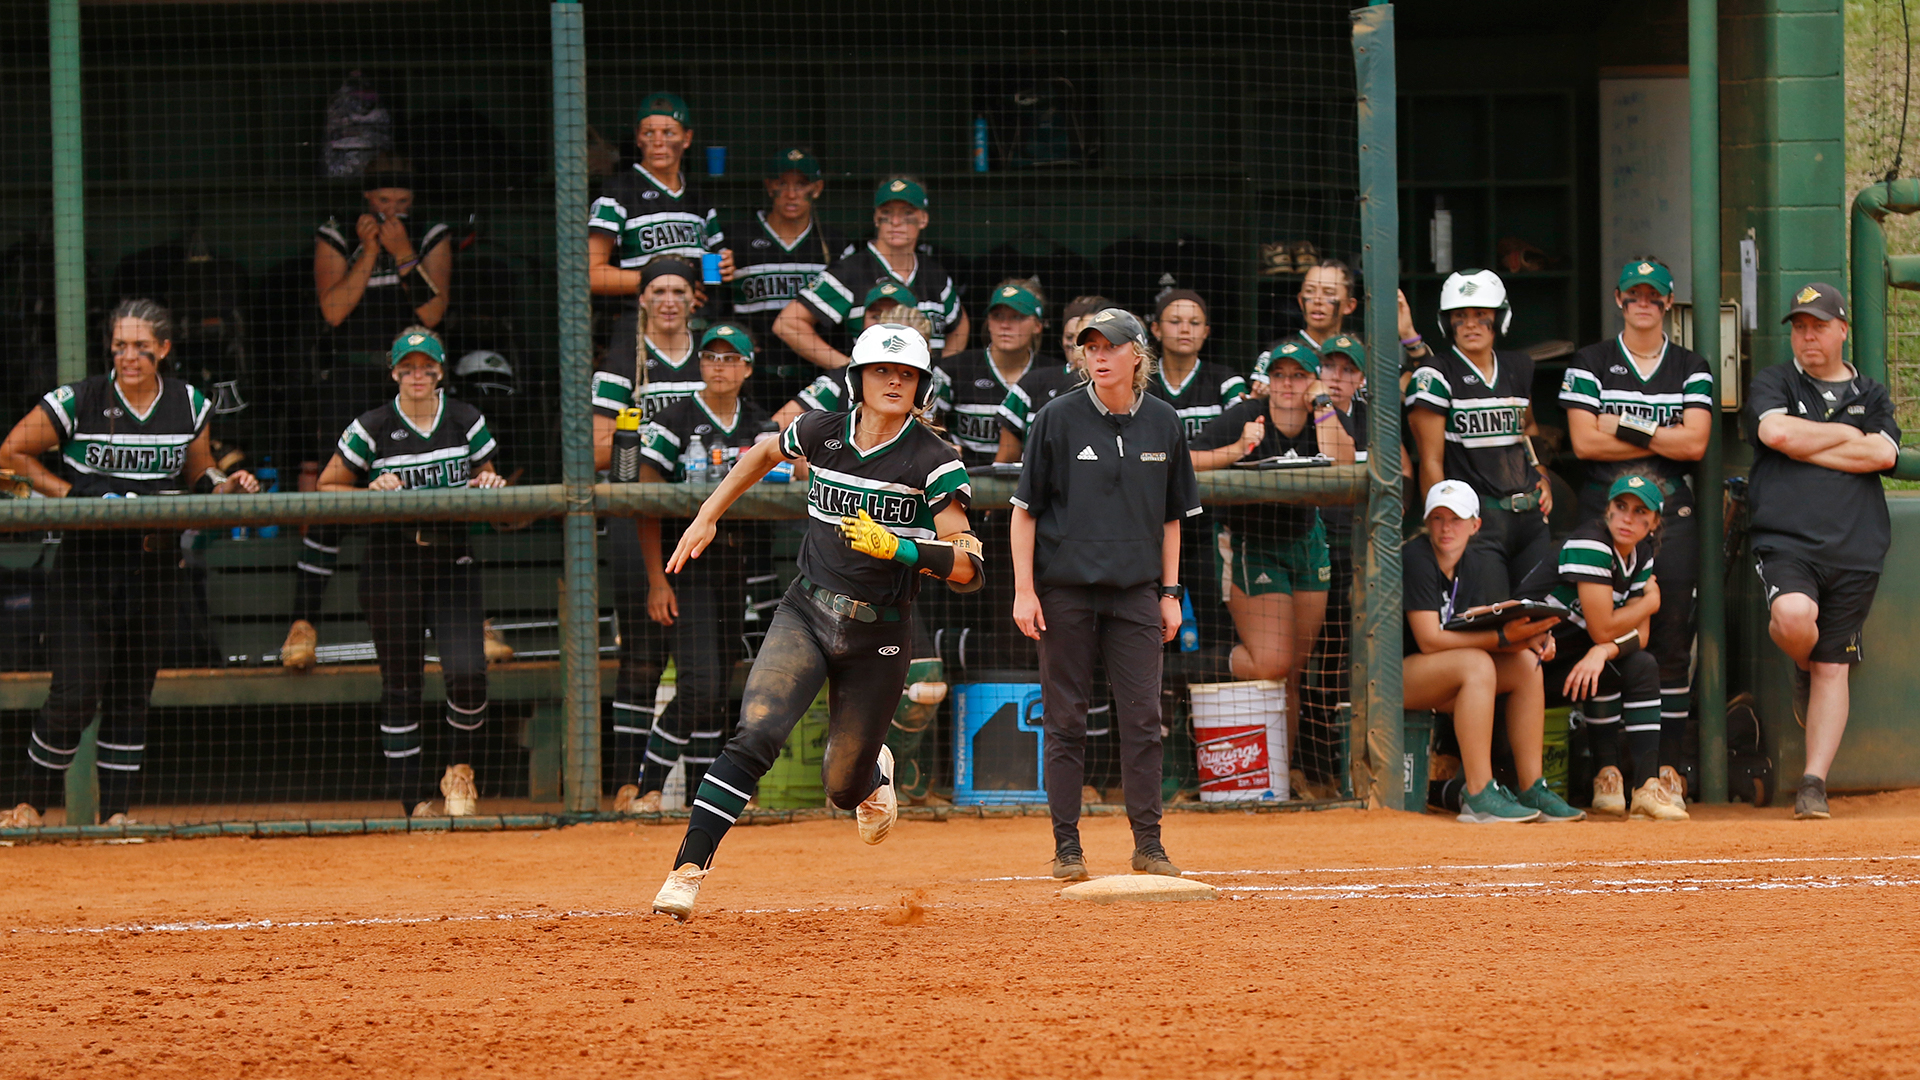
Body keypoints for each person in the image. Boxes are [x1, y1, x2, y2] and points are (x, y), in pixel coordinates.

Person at [649, 323, 981, 921]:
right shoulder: (824, 430)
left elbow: (968, 565)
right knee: (756, 731)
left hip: (879, 632)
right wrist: (708, 514)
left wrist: (900, 549)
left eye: (907, 375)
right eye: (882, 370)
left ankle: (871, 777)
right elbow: (765, 452)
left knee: (840, 786)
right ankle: (686, 871)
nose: (894, 382)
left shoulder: (934, 460)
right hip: (807, 610)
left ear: (922, 388)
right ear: (857, 379)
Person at [0, 300, 260, 829]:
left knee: (130, 691)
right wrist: (72, 495)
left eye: (142, 347)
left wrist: (228, 486)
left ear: (164, 350)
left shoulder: (189, 403)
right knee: (75, 691)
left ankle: (115, 815)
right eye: (120, 346)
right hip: (86, 564)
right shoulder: (79, 399)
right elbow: (10, 455)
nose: (129, 356)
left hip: (155, 564)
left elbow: (200, 473)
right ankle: (28, 806)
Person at [1010, 307, 1200, 882]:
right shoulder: (1055, 418)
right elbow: (1024, 515)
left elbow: (1173, 520)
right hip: (1065, 593)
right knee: (1065, 722)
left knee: (1143, 721)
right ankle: (1067, 849)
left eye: (1110, 346)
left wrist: (1170, 593)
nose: (1098, 354)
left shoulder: (1165, 422)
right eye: (1090, 346)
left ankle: (1150, 845)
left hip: (1137, 594)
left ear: (1136, 354)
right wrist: (1024, 591)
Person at [319, 327, 506, 818]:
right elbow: (327, 487)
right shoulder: (373, 424)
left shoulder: (466, 418)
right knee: (400, 681)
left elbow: (490, 475)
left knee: (467, 673)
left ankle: (459, 771)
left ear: (440, 371)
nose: (417, 374)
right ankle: (414, 800)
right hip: (391, 562)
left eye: (427, 366)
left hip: (451, 561)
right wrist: (370, 492)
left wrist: (487, 480)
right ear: (394, 371)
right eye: (407, 366)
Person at [286, 163, 454, 671]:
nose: (391, 210)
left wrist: (404, 251)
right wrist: (371, 252)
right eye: (382, 201)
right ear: (366, 198)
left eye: (400, 201)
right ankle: (303, 622)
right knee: (335, 498)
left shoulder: (430, 234)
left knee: (438, 485)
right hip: (351, 380)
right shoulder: (338, 232)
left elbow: (432, 313)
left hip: (415, 374)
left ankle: (469, 619)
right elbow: (334, 310)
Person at [1744, 282, 1900, 820]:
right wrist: (1844, 435)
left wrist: (1815, 440)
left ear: (1842, 331)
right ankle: (1799, 663)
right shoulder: (1776, 380)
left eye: (1817, 326)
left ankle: (1813, 784)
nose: (1807, 336)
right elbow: (1776, 436)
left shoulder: (1873, 393)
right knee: (1793, 617)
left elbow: (1882, 452)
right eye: (1799, 327)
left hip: (1857, 548)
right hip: (1787, 541)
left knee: (1833, 666)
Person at [1560, 259, 1713, 790]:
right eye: (1634, 294)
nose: (1643, 302)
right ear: (1619, 300)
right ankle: (1606, 768)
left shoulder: (1691, 366)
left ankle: (1665, 768)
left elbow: (1694, 444)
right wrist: (1659, 432)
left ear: (1669, 303)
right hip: (1604, 514)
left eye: (1654, 295)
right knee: (1601, 632)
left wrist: (1623, 423)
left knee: (1669, 641)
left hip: (1672, 517)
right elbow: (1584, 443)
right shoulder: (1591, 361)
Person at [612, 323, 772, 814]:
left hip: (736, 566)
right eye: (711, 358)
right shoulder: (674, 419)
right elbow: (645, 502)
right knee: (699, 684)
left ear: (747, 367)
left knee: (719, 682)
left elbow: (792, 474)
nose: (720, 367)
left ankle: (698, 792)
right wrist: (657, 580)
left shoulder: (761, 425)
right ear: (700, 364)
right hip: (685, 566)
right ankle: (648, 786)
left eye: (731, 359)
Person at [1188, 338, 1352, 758]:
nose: (1287, 384)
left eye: (1298, 375)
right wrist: (1237, 449)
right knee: (1273, 664)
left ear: (1313, 380)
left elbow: (1344, 460)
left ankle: (1280, 775)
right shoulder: (1246, 413)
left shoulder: (1324, 416)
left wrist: (1321, 403)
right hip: (1252, 542)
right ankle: (1196, 667)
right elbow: (1181, 458)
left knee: (1292, 674)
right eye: (1279, 375)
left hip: (1306, 542)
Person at [592, 258, 708, 795]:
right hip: (640, 521)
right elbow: (594, 448)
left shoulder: (712, 358)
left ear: (694, 298)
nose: (667, 299)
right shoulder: (623, 360)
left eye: (678, 290)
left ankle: (704, 786)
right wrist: (642, 449)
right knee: (640, 657)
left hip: (706, 521)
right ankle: (626, 785)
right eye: (657, 290)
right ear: (641, 299)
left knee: (704, 657)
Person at [1402, 480, 1581, 824]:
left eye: (1456, 519)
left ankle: (1532, 786)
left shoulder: (1476, 563)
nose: (1446, 528)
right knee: (1478, 663)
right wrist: (1503, 638)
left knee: (1526, 663)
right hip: (1397, 676)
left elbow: (1477, 626)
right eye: (1437, 518)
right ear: (1427, 522)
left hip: (1443, 677)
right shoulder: (1417, 556)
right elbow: (1429, 640)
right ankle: (1479, 792)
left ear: (1475, 525)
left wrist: (1528, 638)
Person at [1519, 474, 1685, 820]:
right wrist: (1650, 603)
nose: (1628, 518)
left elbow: (1639, 637)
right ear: (1607, 511)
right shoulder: (1592, 543)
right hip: (1525, 672)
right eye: (1620, 507)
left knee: (1641, 665)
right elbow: (1604, 627)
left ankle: (1643, 787)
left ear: (1655, 522)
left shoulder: (1641, 554)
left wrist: (1603, 652)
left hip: (1570, 666)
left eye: (1641, 512)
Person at [1406, 269, 1554, 587]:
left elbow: (1527, 428)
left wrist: (1541, 473)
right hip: (1475, 520)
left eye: (1481, 314)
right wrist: (1442, 519)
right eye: (1460, 316)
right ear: (1447, 322)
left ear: (1500, 319)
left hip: (1529, 517)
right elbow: (1431, 460)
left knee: (1538, 614)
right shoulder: (1435, 375)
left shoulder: (1519, 366)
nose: (1471, 324)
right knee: (1491, 620)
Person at [588, 92, 731, 377]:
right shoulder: (617, 193)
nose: (658, 141)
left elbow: (717, 268)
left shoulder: (699, 201)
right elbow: (590, 274)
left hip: (697, 330)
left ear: (686, 139)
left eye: (668, 132)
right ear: (638, 139)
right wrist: (666, 281)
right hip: (639, 329)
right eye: (648, 132)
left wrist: (724, 266)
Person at [774, 176, 968, 365]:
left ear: (923, 219)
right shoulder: (851, 271)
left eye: (907, 213)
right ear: (876, 218)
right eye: (887, 212)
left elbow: (960, 326)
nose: (896, 221)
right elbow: (788, 324)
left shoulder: (934, 274)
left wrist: (942, 372)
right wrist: (847, 367)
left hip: (924, 391)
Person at [728, 148, 852, 407]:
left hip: (816, 375)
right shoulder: (737, 240)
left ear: (816, 189)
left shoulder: (836, 245)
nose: (791, 194)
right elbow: (720, 304)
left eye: (801, 184)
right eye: (782, 184)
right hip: (754, 377)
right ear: (770, 186)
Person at [772, 281, 926, 428]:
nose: (885, 325)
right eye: (875, 316)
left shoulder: (933, 378)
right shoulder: (843, 378)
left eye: (897, 315)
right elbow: (776, 427)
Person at [993, 294, 1111, 463]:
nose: (1076, 345)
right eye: (1071, 337)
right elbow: (1004, 463)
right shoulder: (1034, 382)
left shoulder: (1136, 391)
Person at [1147, 289, 1249, 441]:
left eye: (1195, 323)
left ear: (1205, 332)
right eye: (1175, 322)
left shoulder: (1227, 382)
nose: (1185, 329)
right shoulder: (1140, 383)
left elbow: (1242, 439)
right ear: (1156, 329)